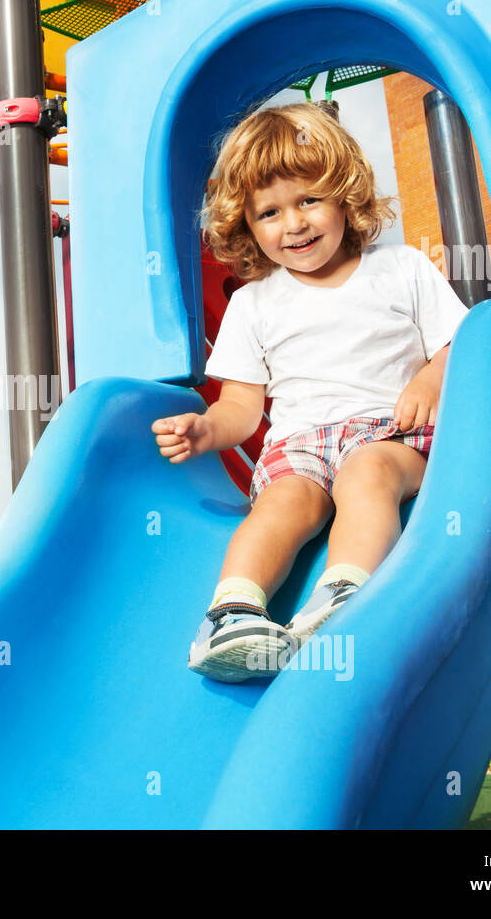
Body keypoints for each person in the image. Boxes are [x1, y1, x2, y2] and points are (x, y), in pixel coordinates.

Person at [151, 100, 470, 683]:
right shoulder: (254, 304)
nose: (293, 224)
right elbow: (242, 408)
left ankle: (345, 595)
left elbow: (459, 344)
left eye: (309, 200)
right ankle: (231, 613)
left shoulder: (400, 268)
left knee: (366, 474)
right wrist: (206, 429)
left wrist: (430, 378)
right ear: (247, 226)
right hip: (300, 443)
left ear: (344, 195)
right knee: (282, 502)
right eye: (269, 212)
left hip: (390, 433)